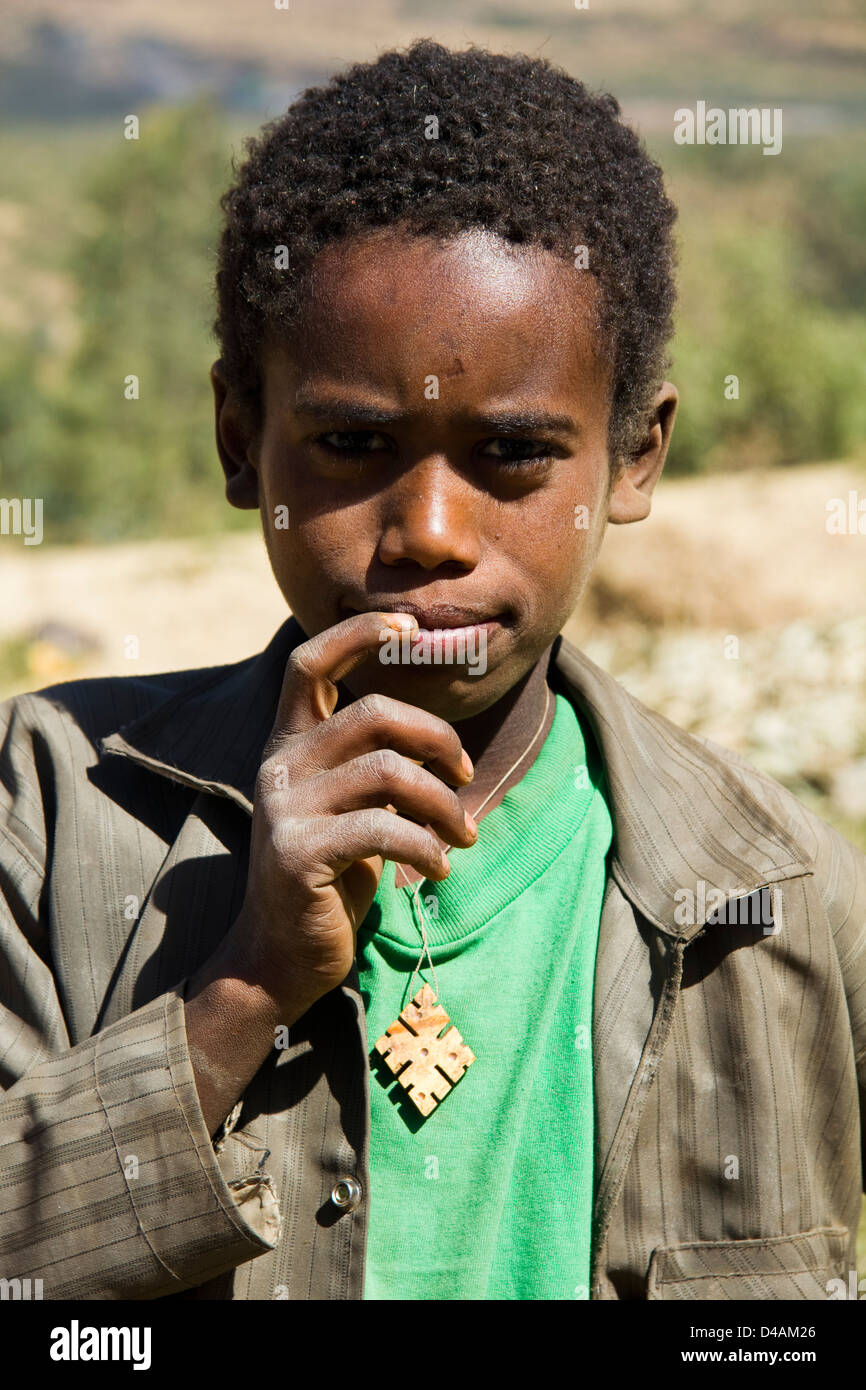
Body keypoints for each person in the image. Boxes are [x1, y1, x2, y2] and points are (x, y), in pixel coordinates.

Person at [0, 40, 863, 1302]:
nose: (430, 534)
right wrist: (242, 985)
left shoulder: (780, 899)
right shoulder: (51, 809)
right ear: (242, 441)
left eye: (512, 454)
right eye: (353, 443)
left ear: (631, 456)